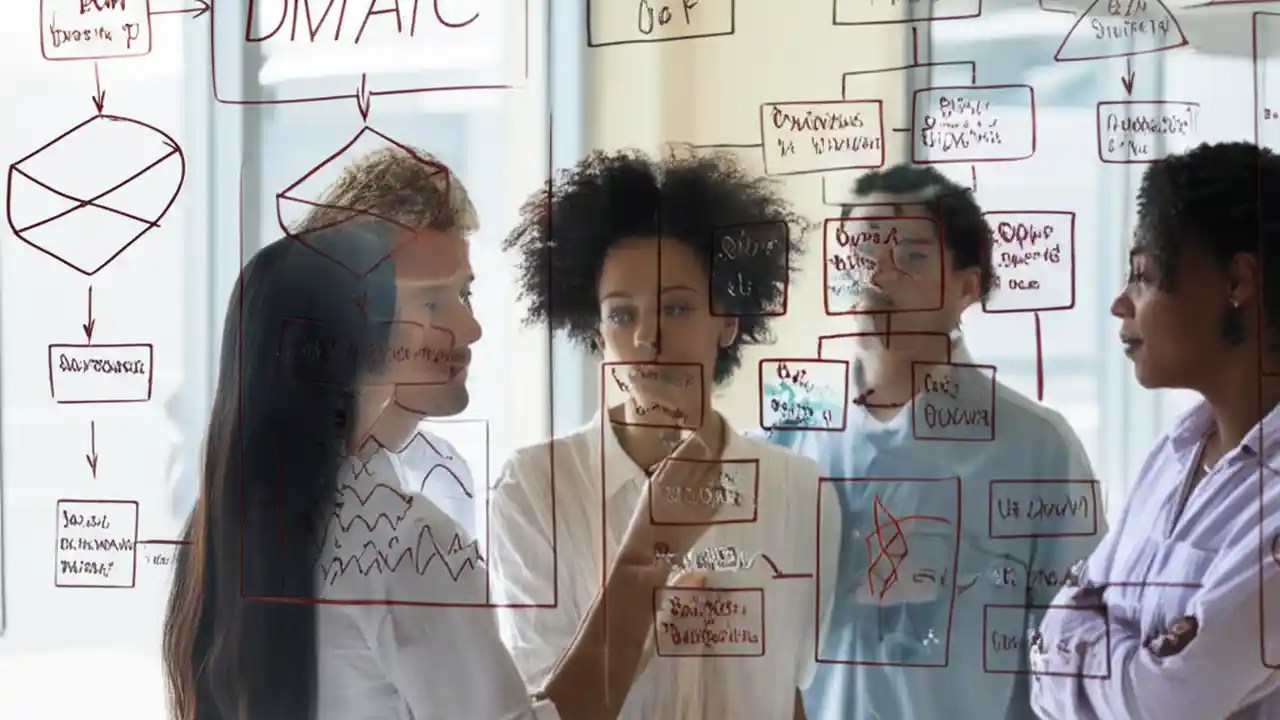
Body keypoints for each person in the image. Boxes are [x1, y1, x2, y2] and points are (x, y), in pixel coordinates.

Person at [491, 148, 840, 719]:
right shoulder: (534, 487)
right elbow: (545, 708)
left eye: (676, 310)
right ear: (596, 333)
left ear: (727, 319)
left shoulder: (801, 490)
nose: (648, 338)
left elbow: (787, 691)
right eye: (622, 315)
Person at [766, 164, 1103, 720]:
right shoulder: (786, 431)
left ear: (967, 286)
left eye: (913, 256)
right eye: (860, 250)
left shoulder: (1035, 448)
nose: (878, 272)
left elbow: (1079, 652)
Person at [1031, 141, 1280, 719]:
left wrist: (1088, 634)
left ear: (1237, 282)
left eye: (1142, 275)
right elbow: (1042, 665)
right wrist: (1132, 660)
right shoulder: (1171, 456)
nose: (1121, 303)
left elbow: (1169, 705)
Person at [290, 145, 482, 541]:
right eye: (430, 302)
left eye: (464, 294)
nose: (471, 329)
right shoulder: (293, 502)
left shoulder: (446, 474)